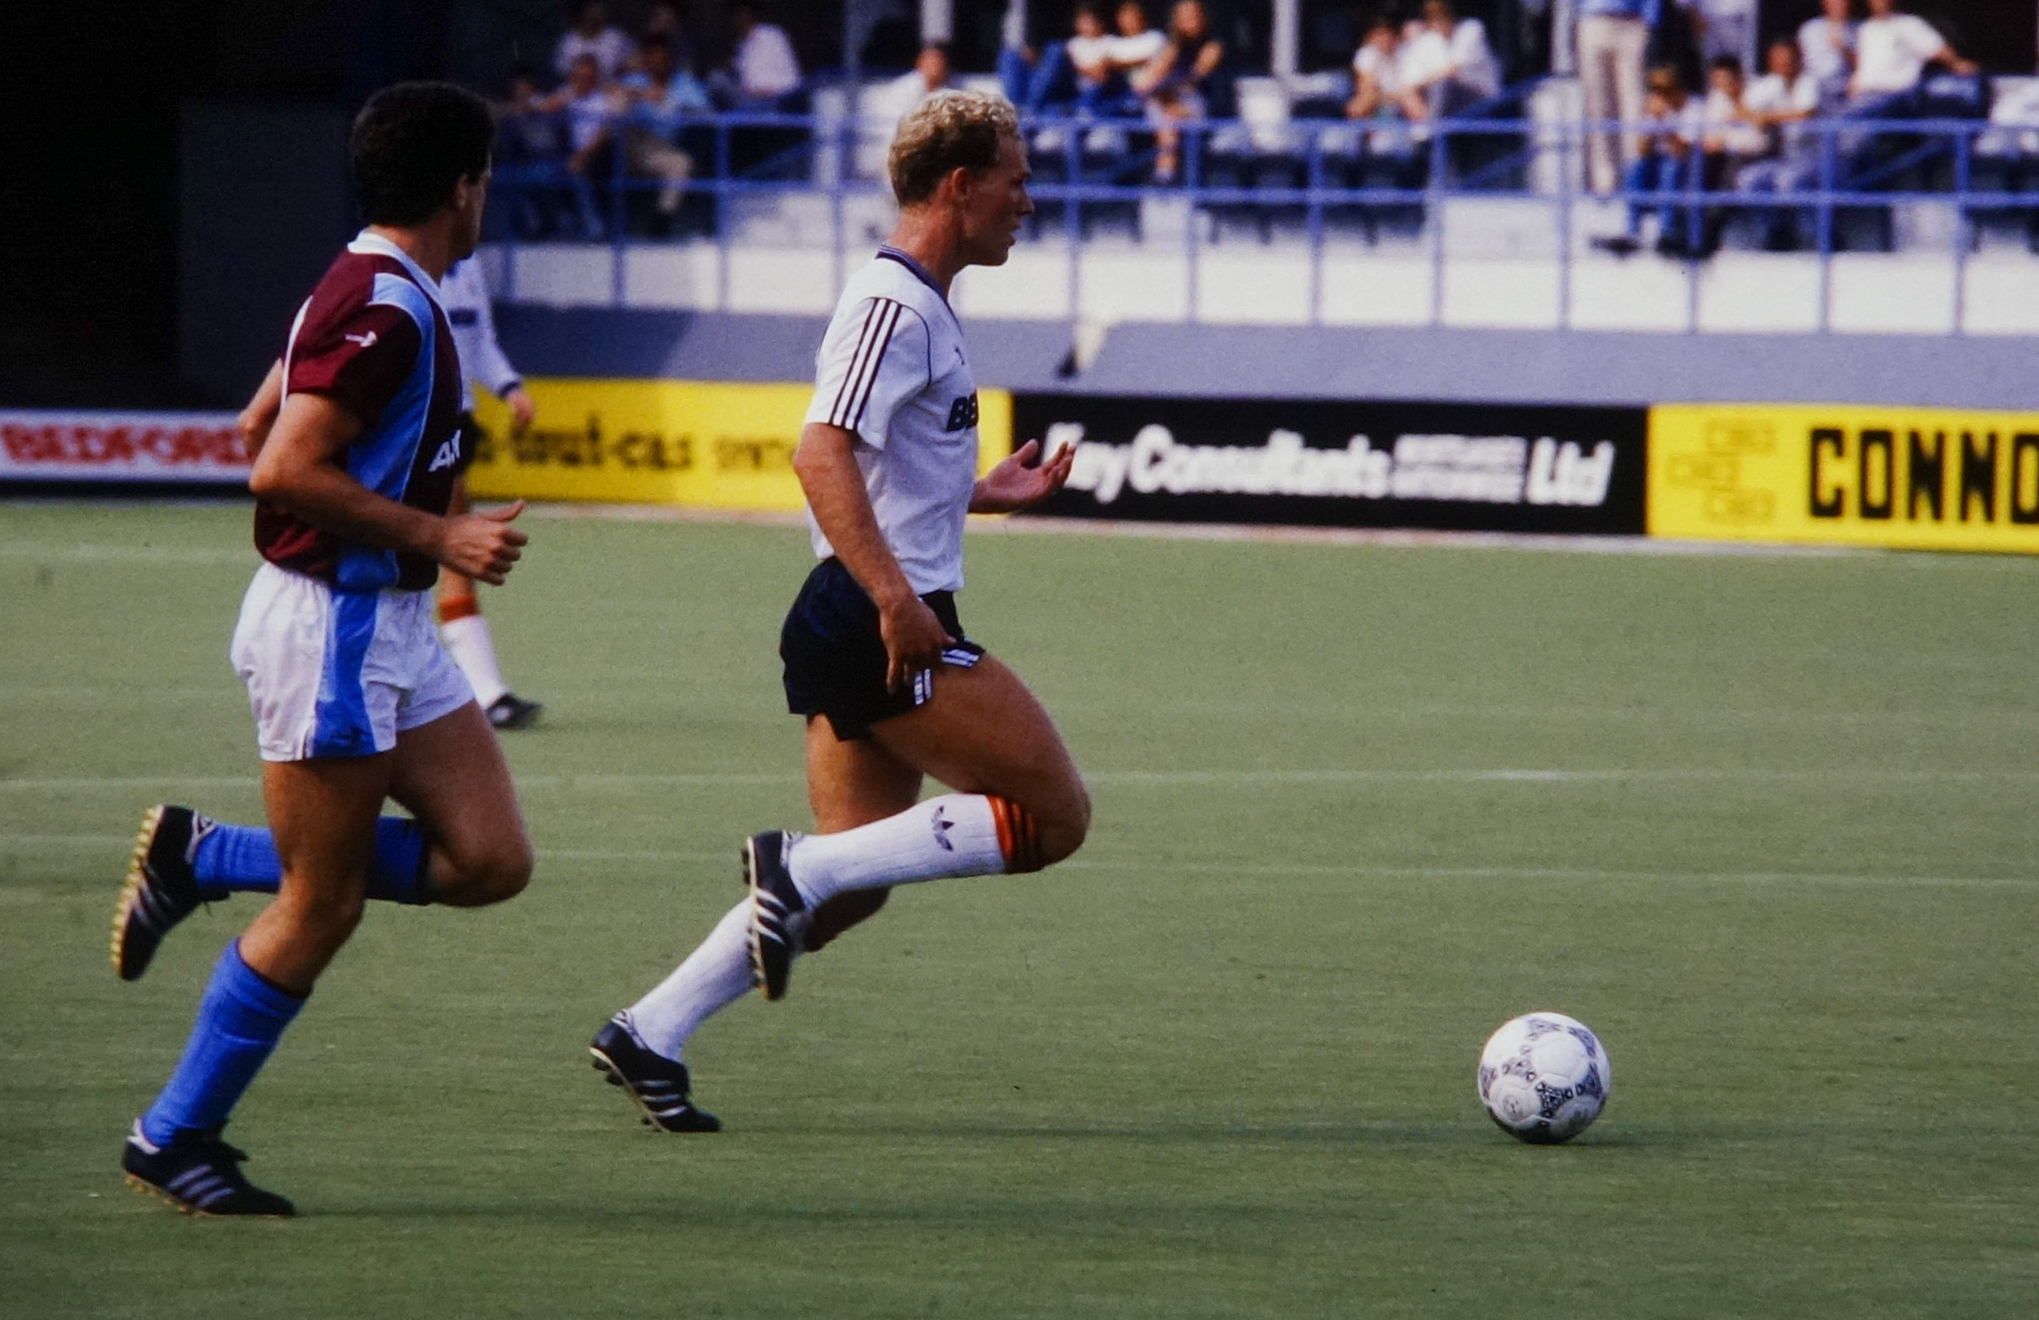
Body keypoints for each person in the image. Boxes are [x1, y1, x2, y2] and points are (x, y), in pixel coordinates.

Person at [588, 90, 1084, 1133]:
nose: (1026, 201)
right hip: (876, 615)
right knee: (1049, 817)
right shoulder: (892, 303)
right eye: (1014, 179)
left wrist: (981, 490)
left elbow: (881, 465)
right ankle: (792, 862)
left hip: (861, 608)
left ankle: (650, 1030)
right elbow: (818, 451)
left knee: (853, 884)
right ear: (959, 186)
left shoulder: (921, 302)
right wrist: (898, 604)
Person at [111, 82, 534, 1215]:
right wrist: (438, 528)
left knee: (490, 859)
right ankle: (173, 1134)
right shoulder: (389, 308)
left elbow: (262, 420)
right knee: (323, 903)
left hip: (387, 622)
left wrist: (406, 497)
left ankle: (207, 856)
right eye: (485, 177)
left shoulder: (374, 284)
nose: (486, 194)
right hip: (335, 630)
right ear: (462, 185)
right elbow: (279, 466)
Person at [436, 256, 544, 729]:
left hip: (455, 417)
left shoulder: (467, 265)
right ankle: (481, 692)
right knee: (448, 549)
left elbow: (478, 339)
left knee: (447, 552)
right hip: (417, 418)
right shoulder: (397, 260)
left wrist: (508, 387)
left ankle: (482, 691)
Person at [1591, 64, 1702, 255]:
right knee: (1635, 168)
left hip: (1686, 163)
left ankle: (1667, 231)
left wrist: (1667, 123)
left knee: (1671, 168)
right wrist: (1652, 123)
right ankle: (1632, 231)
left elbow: (1681, 150)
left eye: (1665, 89)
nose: (1661, 94)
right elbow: (1642, 150)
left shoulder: (1693, 107)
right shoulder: (1654, 106)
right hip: (1660, 161)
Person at [1736, 37, 1823, 250]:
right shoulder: (1768, 85)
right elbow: (1740, 109)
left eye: (1789, 59)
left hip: (1819, 157)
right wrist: (1754, 116)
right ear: (1771, 63)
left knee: (1788, 181)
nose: (1784, 64)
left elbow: (1804, 114)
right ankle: (1776, 232)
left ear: (1799, 59)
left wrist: (1766, 118)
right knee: (1748, 180)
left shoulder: (1809, 82)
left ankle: (1819, 235)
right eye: (1779, 60)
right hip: (1788, 158)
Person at [1132, 0, 1230, 184]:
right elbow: (1148, 79)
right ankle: (1162, 176)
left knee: (1169, 116)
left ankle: (1165, 174)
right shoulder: (1172, 47)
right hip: (1166, 102)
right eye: (1184, 17)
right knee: (1162, 113)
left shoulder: (1212, 46)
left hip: (1200, 103)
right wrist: (1151, 83)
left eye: (1193, 17)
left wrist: (1167, 88)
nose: (1190, 21)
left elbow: (1196, 76)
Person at [618, 33, 711, 221]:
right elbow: (608, 94)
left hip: (666, 148)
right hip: (634, 146)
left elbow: (707, 111)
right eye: (653, 58)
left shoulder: (683, 83)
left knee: (681, 163)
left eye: (663, 59)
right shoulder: (634, 81)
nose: (658, 63)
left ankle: (662, 218)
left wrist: (679, 105)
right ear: (646, 59)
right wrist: (642, 94)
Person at [1575, 0, 1659, 195]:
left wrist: (1650, 20)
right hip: (1593, 19)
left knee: (1634, 103)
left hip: (1631, 22)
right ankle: (1604, 179)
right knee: (1597, 104)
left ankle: (1634, 177)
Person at [1848, 0, 1973, 105]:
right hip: (1864, 95)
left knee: (1854, 128)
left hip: (1895, 94)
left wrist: (1956, 63)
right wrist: (1856, 82)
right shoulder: (1867, 29)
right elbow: (1866, 65)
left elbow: (1937, 49)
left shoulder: (1909, 25)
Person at [1397, 0, 1501, 116]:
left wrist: (1420, 83)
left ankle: (1432, 129)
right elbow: (1409, 84)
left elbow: (1451, 71)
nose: (1438, 22)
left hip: (1484, 97)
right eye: (1433, 18)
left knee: (1442, 84)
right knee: (1409, 94)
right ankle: (1423, 130)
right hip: (1451, 103)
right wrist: (1412, 91)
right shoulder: (1432, 40)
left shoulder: (1471, 29)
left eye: (1441, 16)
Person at [1348, 16, 1426, 125]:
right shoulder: (1366, 54)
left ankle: (1421, 136)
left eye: (1385, 34)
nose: (1382, 39)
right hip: (1380, 98)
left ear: (1394, 36)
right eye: (1378, 35)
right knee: (1357, 106)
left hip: (1404, 96)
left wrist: (1392, 97)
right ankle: (1365, 134)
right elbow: (1365, 89)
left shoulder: (1407, 53)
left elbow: (1410, 88)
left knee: (1411, 101)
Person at [726, 1, 801, 106]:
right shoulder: (740, 48)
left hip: (781, 100)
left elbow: (792, 80)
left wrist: (765, 92)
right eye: (736, 15)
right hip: (752, 103)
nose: (739, 18)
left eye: (742, 13)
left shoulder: (773, 36)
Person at [554, 0, 634, 81]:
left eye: (596, 10)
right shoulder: (568, 41)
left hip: (612, 87)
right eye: (589, 10)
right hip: (577, 89)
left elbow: (632, 63)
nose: (593, 15)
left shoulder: (616, 37)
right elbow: (562, 70)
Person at [1798, 0, 1858, 108]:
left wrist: (1843, 49)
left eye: (1843, 2)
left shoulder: (1858, 29)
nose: (1840, 5)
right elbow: (1800, 62)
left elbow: (1864, 66)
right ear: (1824, 3)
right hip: (1817, 90)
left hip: (1846, 92)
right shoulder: (1810, 29)